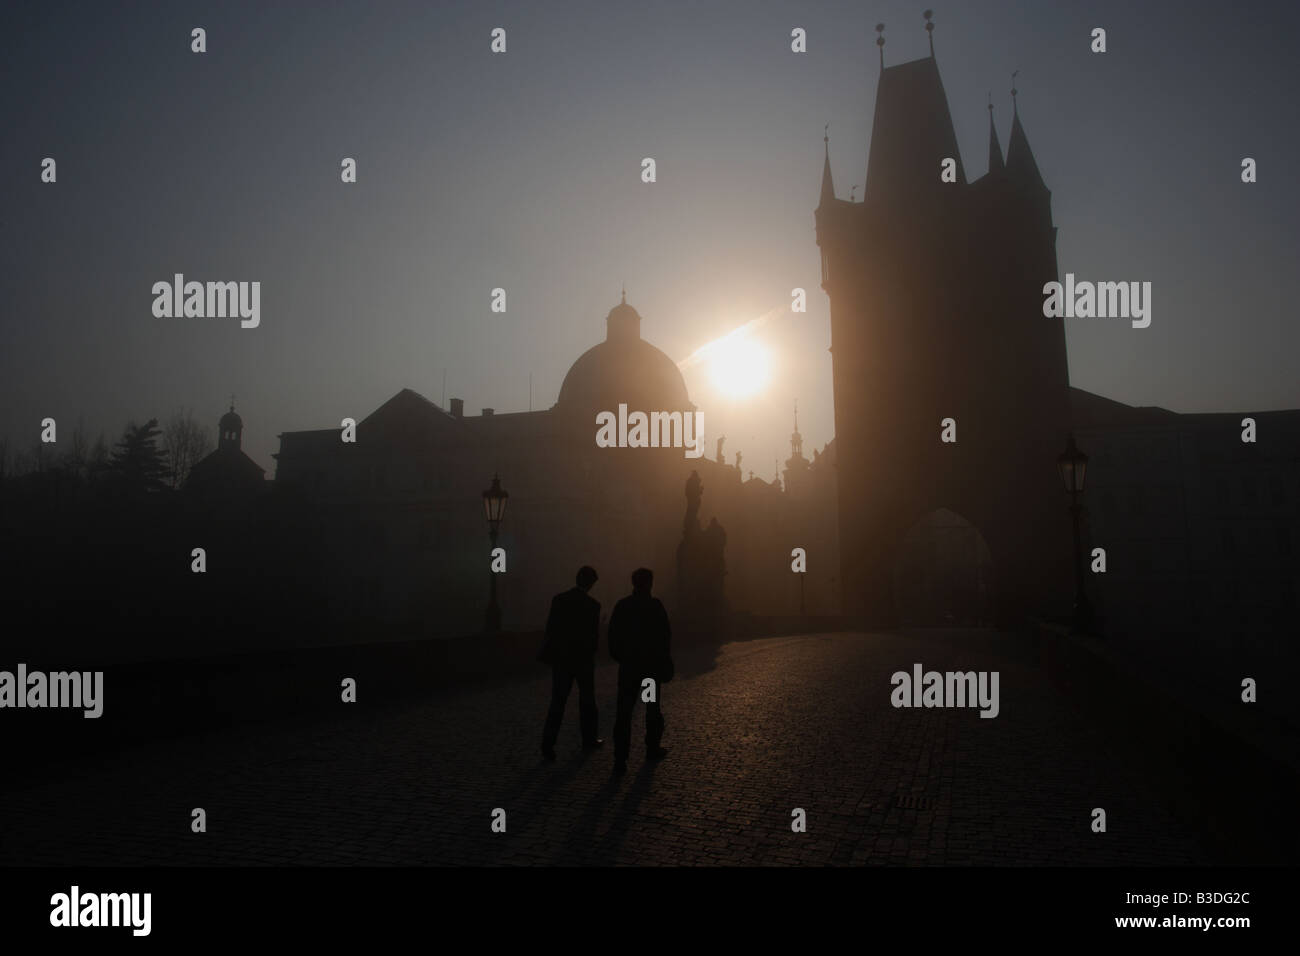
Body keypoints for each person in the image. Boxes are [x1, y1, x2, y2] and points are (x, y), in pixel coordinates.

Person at [608, 567, 673, 775]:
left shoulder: (623, 605)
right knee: (652, 710)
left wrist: (623, 658)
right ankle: (652, 748)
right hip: (650, 671)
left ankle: (620, 758)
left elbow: (613, 637)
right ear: (650, 583)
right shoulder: (655, 606)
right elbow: (665, 637)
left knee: (624, 713)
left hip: (629, 670)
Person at [539, 566, 603, 761]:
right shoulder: (593, 605)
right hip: (583, 660)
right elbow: (593, 637)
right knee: (587, 701)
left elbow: (550, 629)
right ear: (591, 583)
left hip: (562, 659)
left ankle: (548, 744)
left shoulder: (559, 600)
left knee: (558, 702)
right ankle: (589, 739)